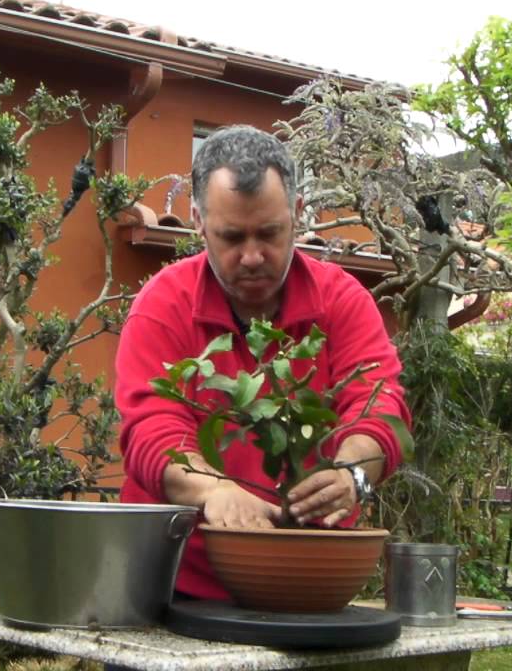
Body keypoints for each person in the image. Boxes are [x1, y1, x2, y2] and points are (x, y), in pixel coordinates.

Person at [115, 124, 412, 602]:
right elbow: (151, 430)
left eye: (270, 233)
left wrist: (351, 473)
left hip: (307, 582)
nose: (251, 256)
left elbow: (380, 406)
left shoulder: (342, 302)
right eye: (231, 236)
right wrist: (214, 491)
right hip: (172, 587)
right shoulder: (163, 305)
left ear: (296, 214)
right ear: (197, 221)